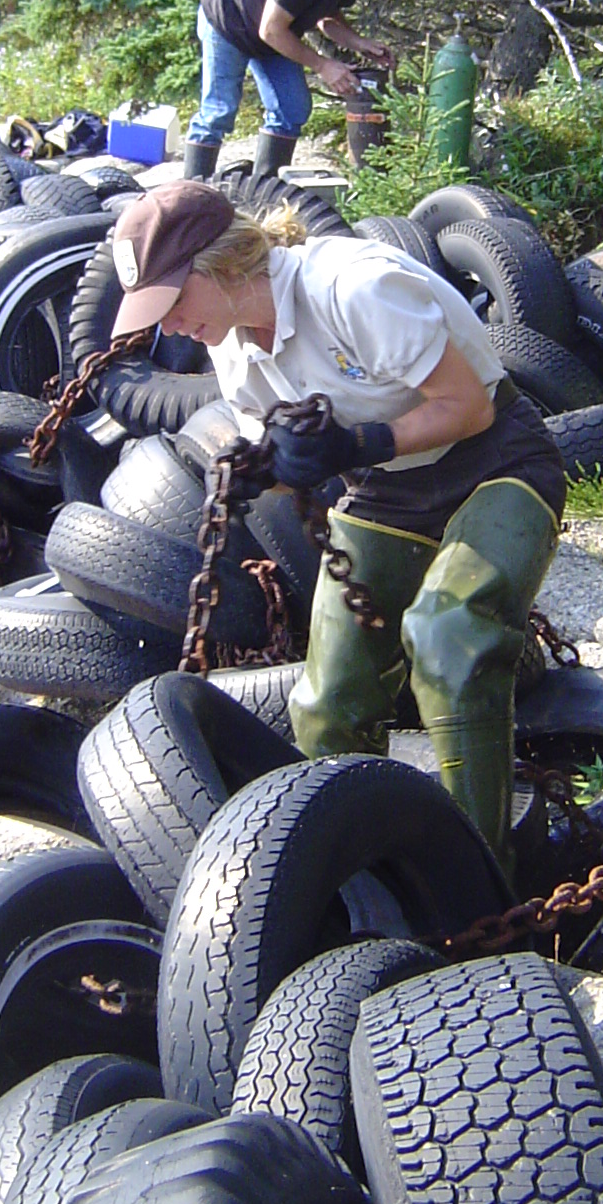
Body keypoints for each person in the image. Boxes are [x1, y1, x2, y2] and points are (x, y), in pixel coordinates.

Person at [109, 179, 566, 872]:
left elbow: (467, 408)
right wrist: (265, 461)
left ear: (222, 264)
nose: (167, 327)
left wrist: (355, 447)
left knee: (450, 639)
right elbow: (281, 435)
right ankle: (367, 874)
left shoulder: (355, 288)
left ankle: (481, 877)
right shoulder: (232, 344)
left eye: (173, 302)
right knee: (326, 703)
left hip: (494, 461)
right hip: (388, 495)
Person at [182, 0, 415, 184]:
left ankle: (264, 191)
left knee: (292, 109)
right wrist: (323, 65)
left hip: (271, 32)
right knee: (218, 111)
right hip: (228, 18)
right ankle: (190, 195)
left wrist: (361, 44)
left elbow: (327, 18)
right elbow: (270, 29)